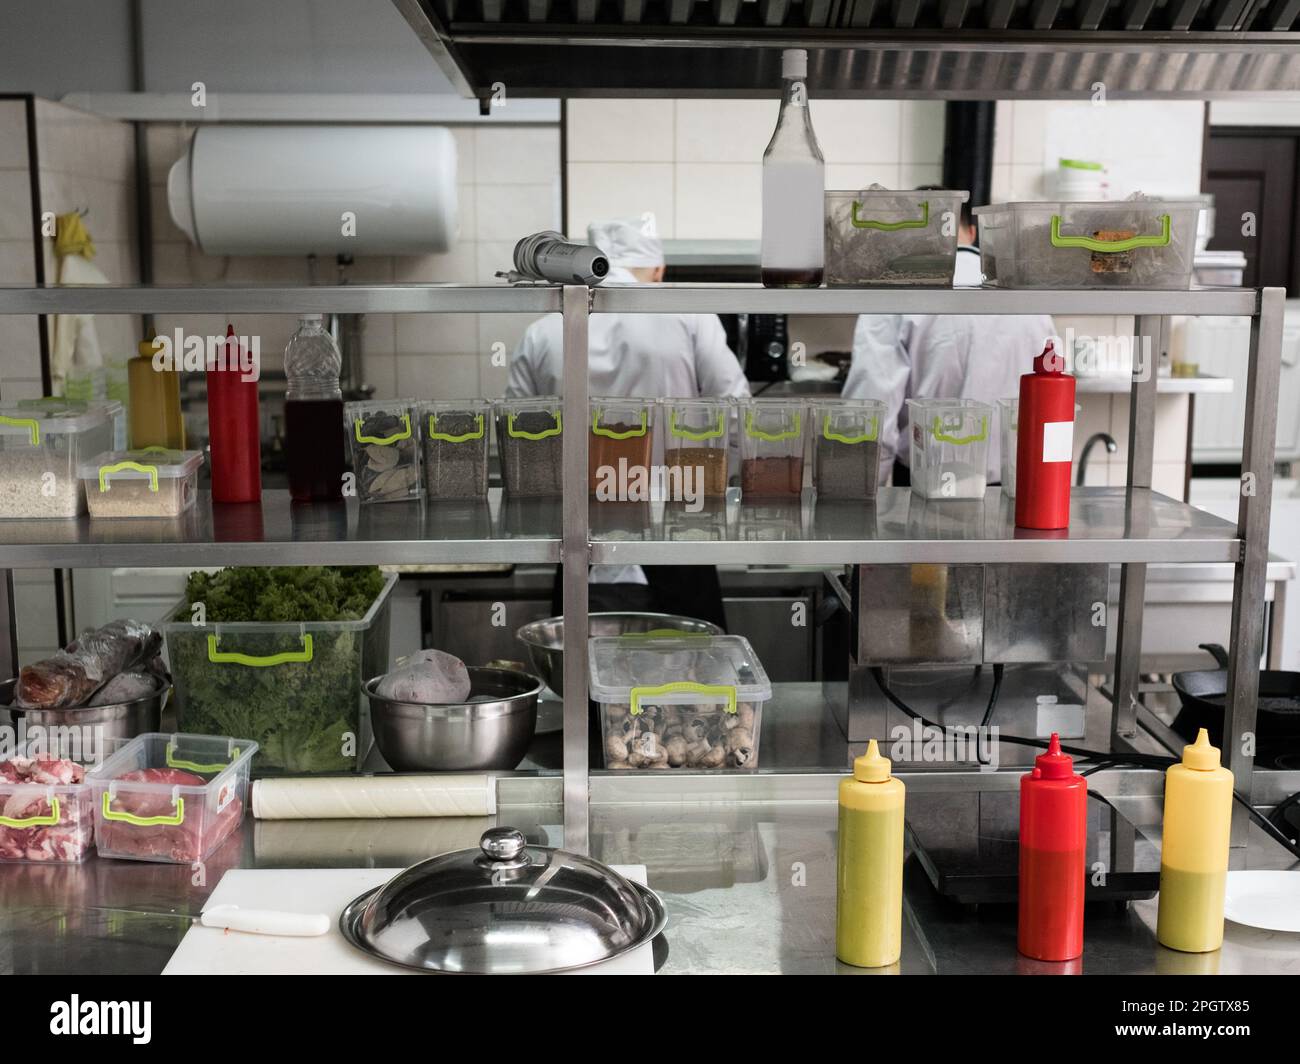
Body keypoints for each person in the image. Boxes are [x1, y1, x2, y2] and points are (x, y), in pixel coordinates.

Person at [508, 218, 750, 628]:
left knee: (579, 683)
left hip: (576, 539)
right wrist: (718, 491)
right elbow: (739, 414)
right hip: (679, 530)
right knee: (691, 679)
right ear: (657, 270)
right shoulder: (691, 317)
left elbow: (522, 447)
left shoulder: (541, 331)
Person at [842, 197, 1055, 487]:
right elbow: (1052, 392)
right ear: (971, 231)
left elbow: (871, 411)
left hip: (928, 482)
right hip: (1018, 487)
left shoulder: (891, 290)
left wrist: (859, 496)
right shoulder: (1021, 289)